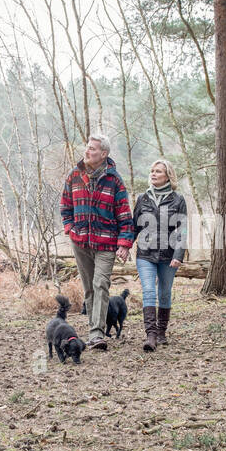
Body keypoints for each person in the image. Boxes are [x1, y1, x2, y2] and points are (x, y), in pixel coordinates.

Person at [60, 133, 134, 350]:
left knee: (101, 284)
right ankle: (94, 331)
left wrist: (124, 243)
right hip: (80, 242)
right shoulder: (74, 175)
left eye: (92, 148)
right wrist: (70, 228)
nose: (87, 151)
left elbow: (124, 214)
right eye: (87, 147)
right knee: (89, 289)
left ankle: (97, 333)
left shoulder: (114, 180)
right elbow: (65, 206)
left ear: (103, 154)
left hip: (106, 243)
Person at [131, 158, 186, 351]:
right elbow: (134, 226)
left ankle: (162, 332)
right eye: (152, 170)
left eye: (158, 171)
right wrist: (124, 245)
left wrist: (178, 255)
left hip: (169, 255)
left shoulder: (178, 200)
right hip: (145, 254)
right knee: (148, 291)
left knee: (164, 293)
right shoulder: (143, 199)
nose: (153, 174)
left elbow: (182, 230)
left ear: (168, 176)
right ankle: (151, 335)